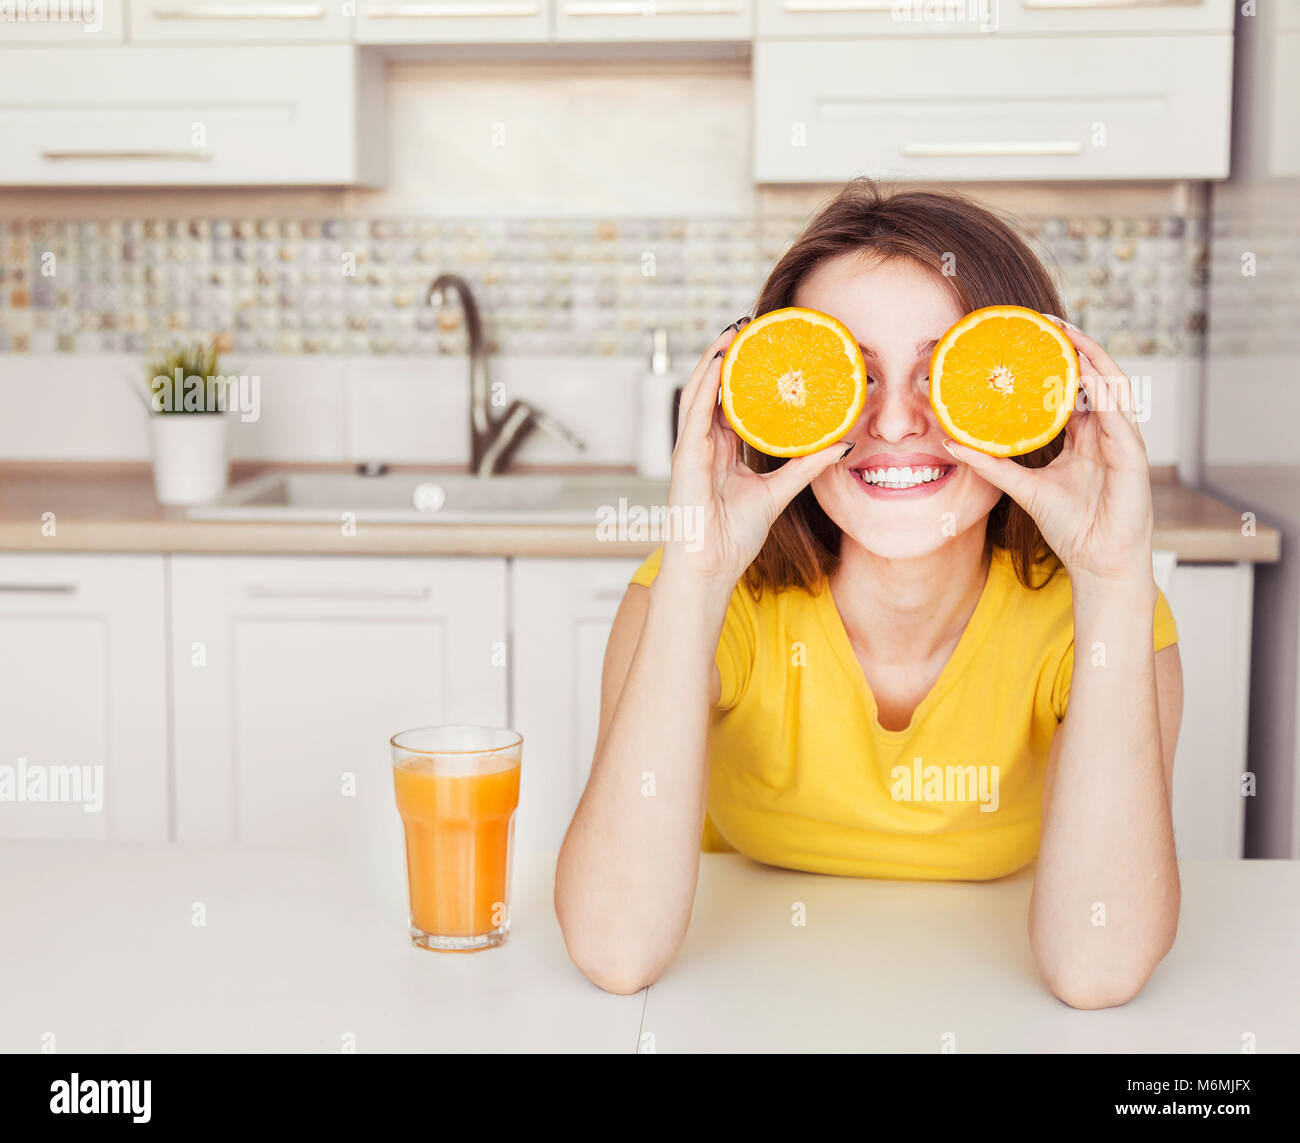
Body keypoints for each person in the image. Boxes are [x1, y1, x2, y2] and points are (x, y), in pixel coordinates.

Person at [555, 180, 1182, 1010]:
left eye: (945, 374)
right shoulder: (705, 596)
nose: (891, 424)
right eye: (845, 376)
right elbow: (615, 950)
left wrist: (1110, 584)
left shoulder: (1099, 613)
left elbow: (1097, 969)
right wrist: (697, 580)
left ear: (1038, 397)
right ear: (773, 400)